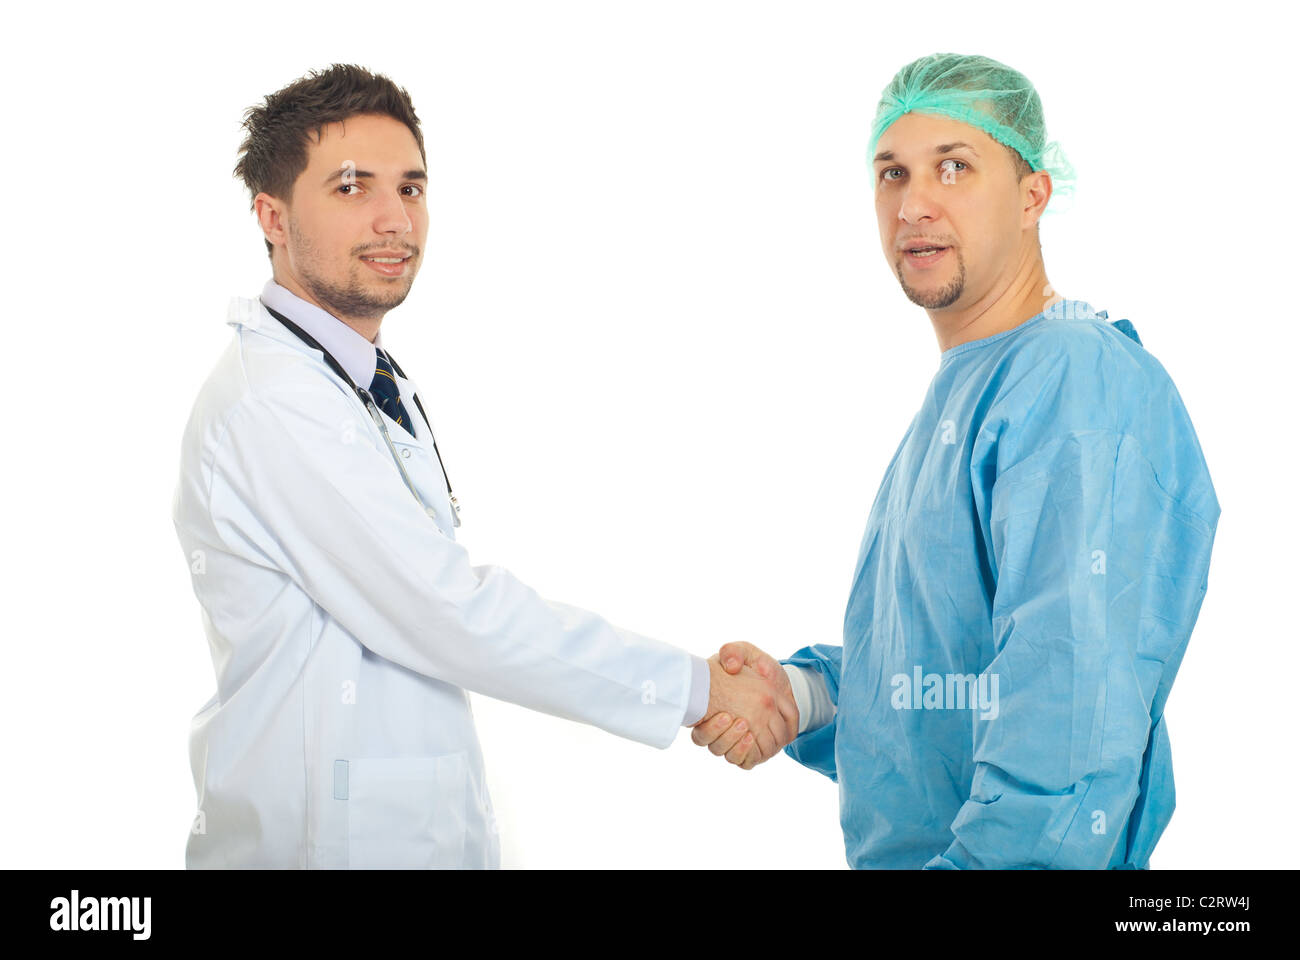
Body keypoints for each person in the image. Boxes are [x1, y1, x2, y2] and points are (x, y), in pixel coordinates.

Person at [172, 63, 796, 869]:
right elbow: (447, 610)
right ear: (273, 215)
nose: (396, 219)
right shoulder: (273, 405)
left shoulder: (361, 380)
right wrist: (698, 690)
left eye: (412, 187)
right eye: (352, 188)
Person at [692, 52, 1221, 870]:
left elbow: (1065, 716)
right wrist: (800, 696)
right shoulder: (963, 401)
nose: (914, 205)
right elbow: (942, 684)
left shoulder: (1074, 381)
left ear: (1033, 195)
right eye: (892, 173)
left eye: (955, 166)